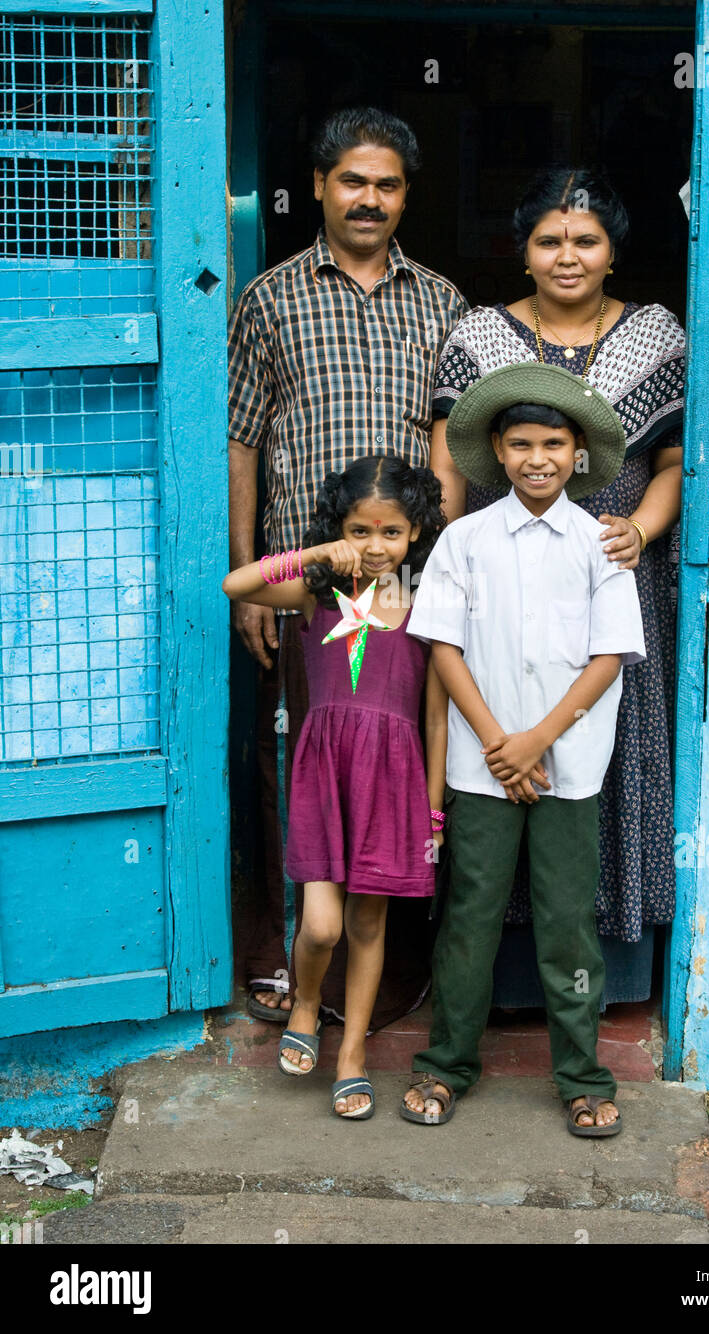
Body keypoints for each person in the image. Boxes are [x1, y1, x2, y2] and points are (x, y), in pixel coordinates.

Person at [227, 108, 468, 1022]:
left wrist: (431, 565)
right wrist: (251, 569)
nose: (370, 199)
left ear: (407, 194)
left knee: (393, 762)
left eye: (389, 184)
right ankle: (295, 958)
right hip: (305, 586)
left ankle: (385, 969)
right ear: (321, 185)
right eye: (352, 182)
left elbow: (446, 446)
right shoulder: (270, 298)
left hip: (402, 588)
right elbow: (241, 440)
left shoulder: (442, 302)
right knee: (293, 758)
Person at [429, 165, 684, 1010]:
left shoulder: (656, 335)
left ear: (613, 253)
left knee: (596, 756)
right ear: (524, 250)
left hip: (613, 567)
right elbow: (450, 466)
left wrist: (638, 531)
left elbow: (676, 463)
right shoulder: (477, 336)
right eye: (549, 240)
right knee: (497, 741)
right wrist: (449, 565)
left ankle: (605, 971)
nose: (566, 256)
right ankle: (497, 982)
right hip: (497, 576)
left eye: (586, 240)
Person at [400, 362, 645, 1133]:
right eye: (520, 445)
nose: (536, 459)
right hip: (481, 766)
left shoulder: (602, 544)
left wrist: (538, 738)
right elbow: (443, 648)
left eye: (552, 444)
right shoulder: (464, 541)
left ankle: (582, 1076)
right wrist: (501, 744)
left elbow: (608, 659)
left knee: (567, 919)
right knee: (470, 913)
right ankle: (446, 1067)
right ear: (497, 453)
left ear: (578, 453)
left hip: (569, 768)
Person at [223, 456, 448, 1118]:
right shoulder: (318, 594)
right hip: (325, 772)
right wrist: (323, 552)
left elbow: (436, 717)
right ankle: (307, 1003)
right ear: (339, 527)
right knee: (320, 927)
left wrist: (433, 809)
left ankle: (351, 1053)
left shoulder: (425, 602)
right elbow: (238, 583)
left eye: (391, 533)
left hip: (394, 779)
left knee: (367, 923)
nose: (375, 547)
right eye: (360, 530)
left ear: (416, 534)